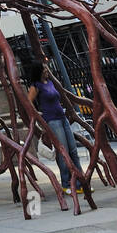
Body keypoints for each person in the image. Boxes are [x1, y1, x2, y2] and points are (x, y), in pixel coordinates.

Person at [27, 60, 84, 193]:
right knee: (63, 152)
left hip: (62, 118)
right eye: (45, 70)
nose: (47, 71)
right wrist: (39, 115)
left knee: (73, 150)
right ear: (39, 72)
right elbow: (28, 103)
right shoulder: (36, 86)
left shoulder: (51, 83)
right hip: (52, 120)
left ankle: (80, 181)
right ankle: (67, 183)